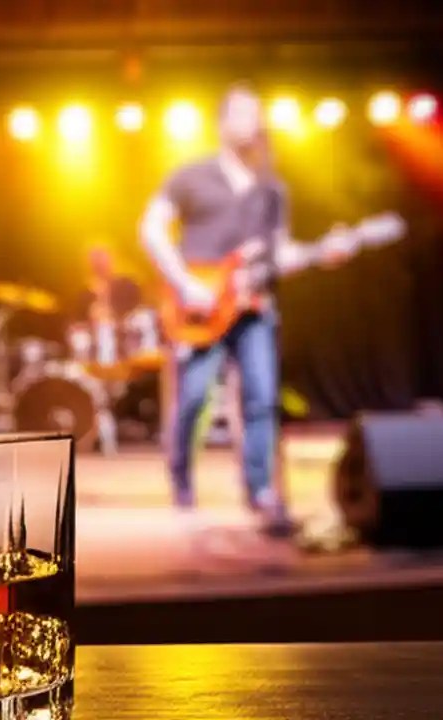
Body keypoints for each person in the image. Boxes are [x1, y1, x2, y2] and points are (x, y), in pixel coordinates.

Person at [139, 83, 357, 536]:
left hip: (254, 306)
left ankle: (259, 489)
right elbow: (151, 229)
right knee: (193, 398)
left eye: (257, 114)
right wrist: (185, 283)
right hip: (200, 307)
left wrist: (323, 253)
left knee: (261, 397)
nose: (253, 122)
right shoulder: (191, 176)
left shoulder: (272, 187)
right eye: (242, 114)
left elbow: (280, 252)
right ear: (221, 123)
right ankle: (181, 477)